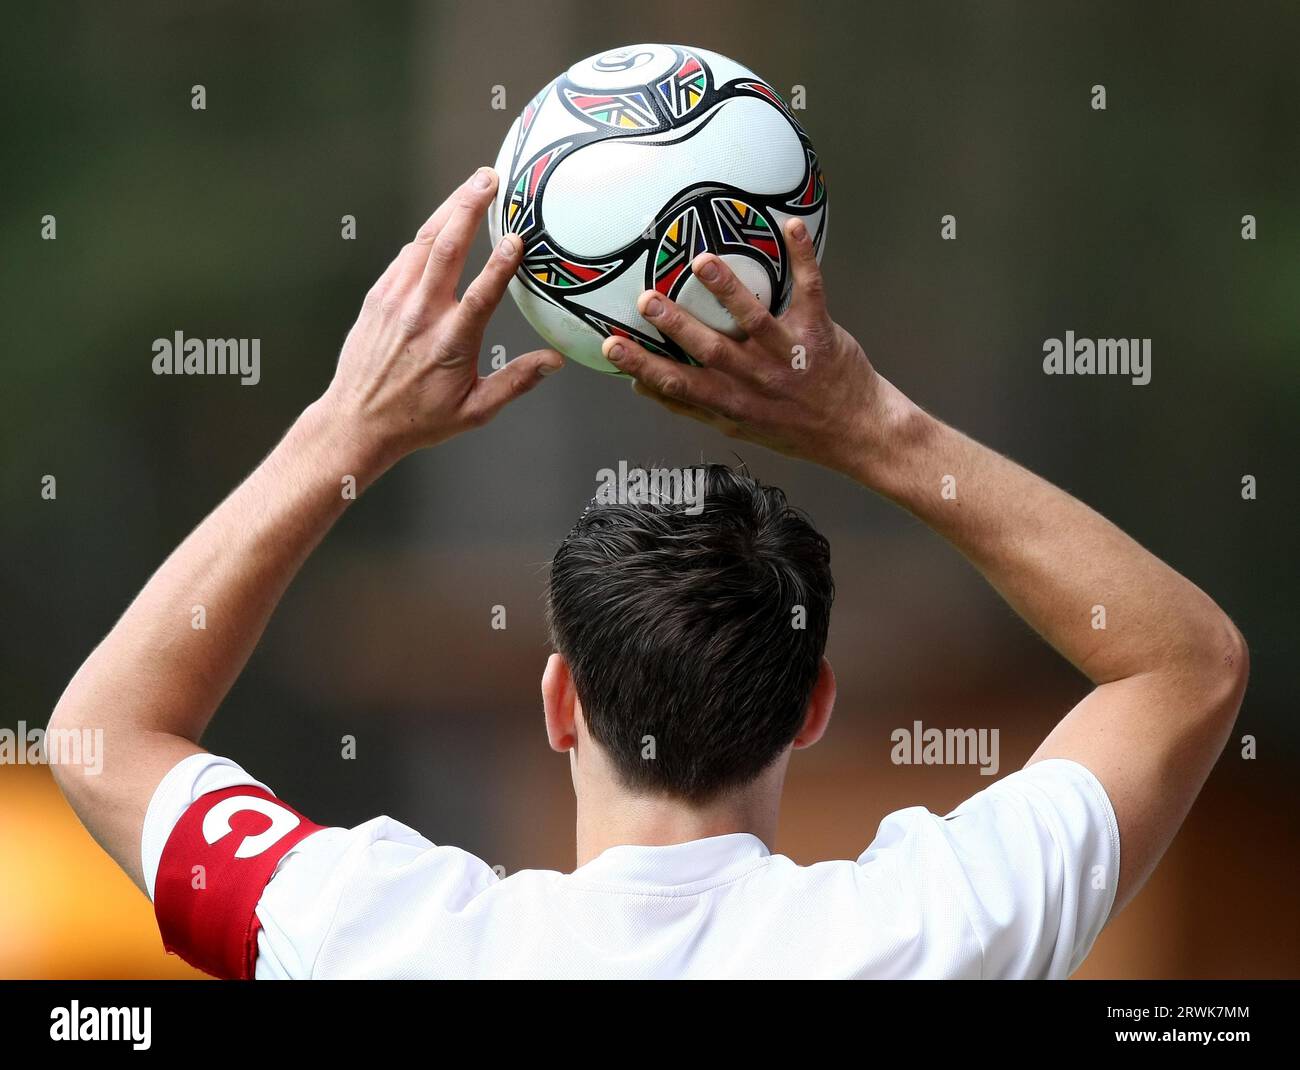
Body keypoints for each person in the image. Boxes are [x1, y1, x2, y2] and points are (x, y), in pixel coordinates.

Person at [48, 167, 1247, 979]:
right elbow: (1184, 663)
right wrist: (872, 427)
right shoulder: (925, 931)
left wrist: (343, 432)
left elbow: (104, 735)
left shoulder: (383, 934)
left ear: (560, 700)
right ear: (811, 702)